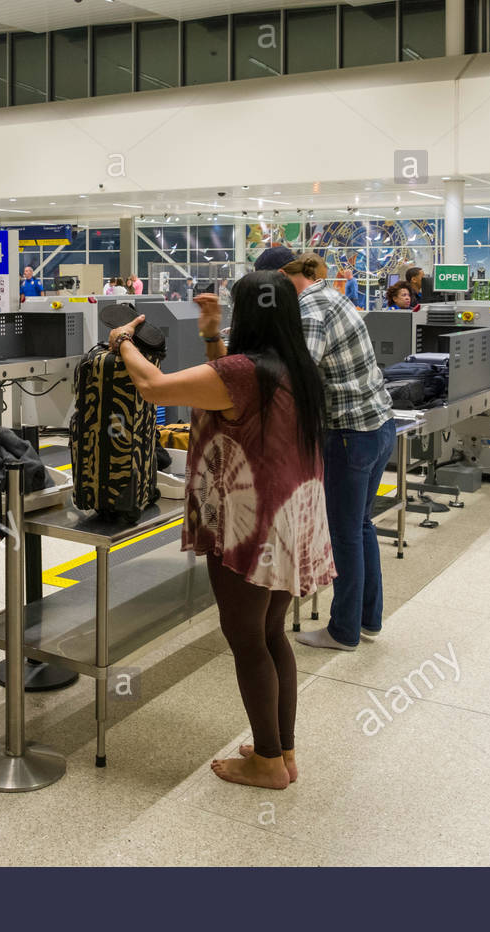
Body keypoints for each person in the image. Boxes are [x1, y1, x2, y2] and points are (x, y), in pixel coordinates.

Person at [106, 274, 334, 790]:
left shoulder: (240, 371)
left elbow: (153, 387)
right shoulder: (294, 367)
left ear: (249, 315)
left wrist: (121, 341)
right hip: (290, 518)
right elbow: (232, 392)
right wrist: (210, 335)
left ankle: (268, 764)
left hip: (247, 526)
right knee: (272, 633)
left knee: (245, 638)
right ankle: (282, 750)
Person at [280, 254, 395, 652]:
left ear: (290, 276)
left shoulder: (309, 306)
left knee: (345, 534)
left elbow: (303, 372)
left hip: (349, 434)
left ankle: (343, 631)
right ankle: (368, 620)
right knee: (362, 526)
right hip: (379, 426)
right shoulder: (334, 297)